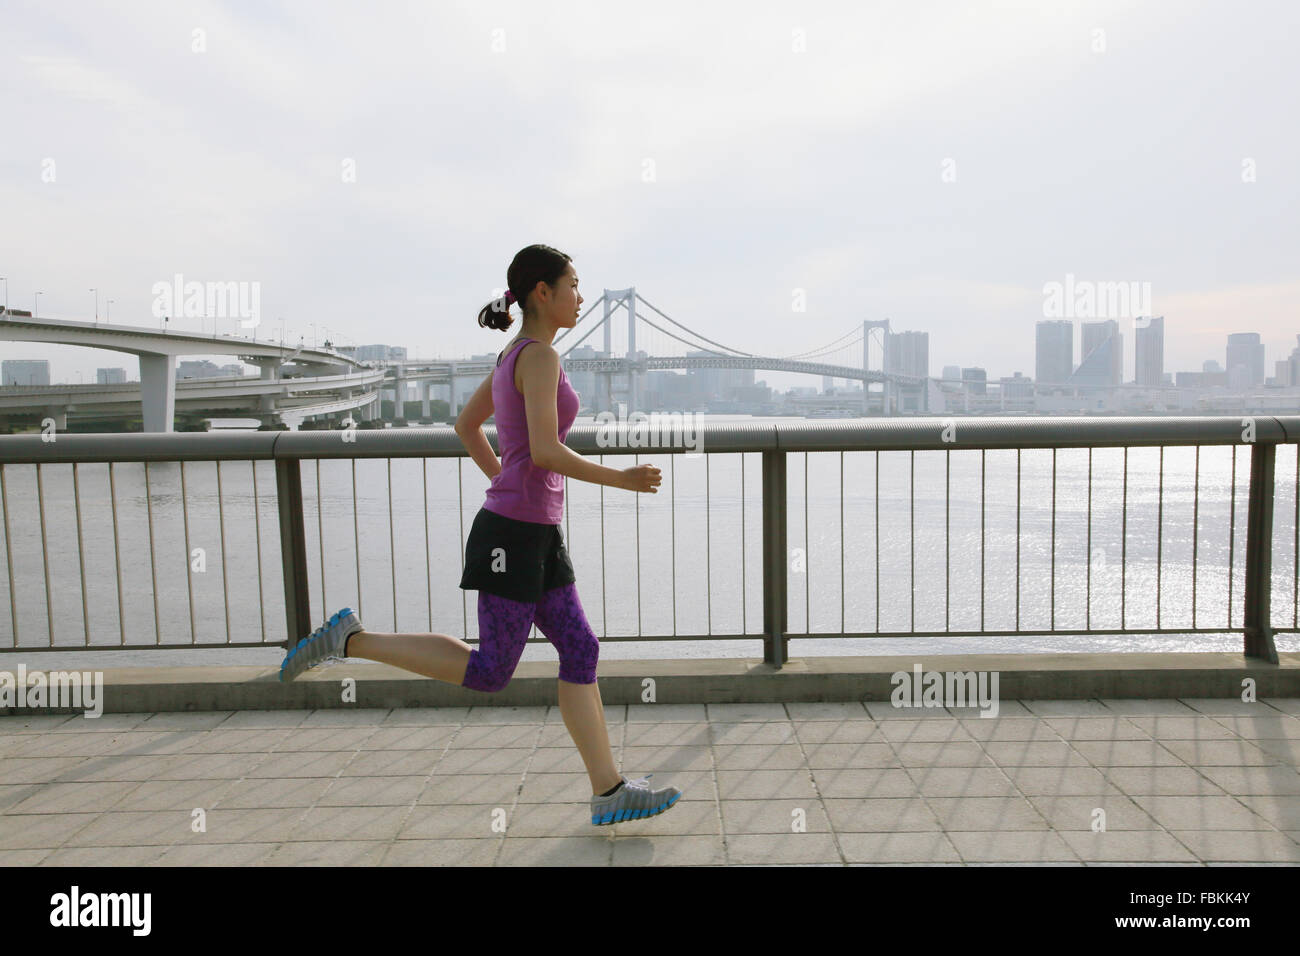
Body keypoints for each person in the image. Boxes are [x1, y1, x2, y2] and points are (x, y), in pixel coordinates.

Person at [280, 243, 682, 826]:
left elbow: (468, 426)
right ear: (541, 293)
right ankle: (349, 639)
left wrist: (508, 480)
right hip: (512, 535)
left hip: (533, 529)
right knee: (492, 669)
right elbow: (543, 448)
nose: (580, 296)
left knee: (580, 649)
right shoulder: (537, 357)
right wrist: (617, 478)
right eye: (572, 284)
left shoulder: (514, 353)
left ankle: (609, 791)